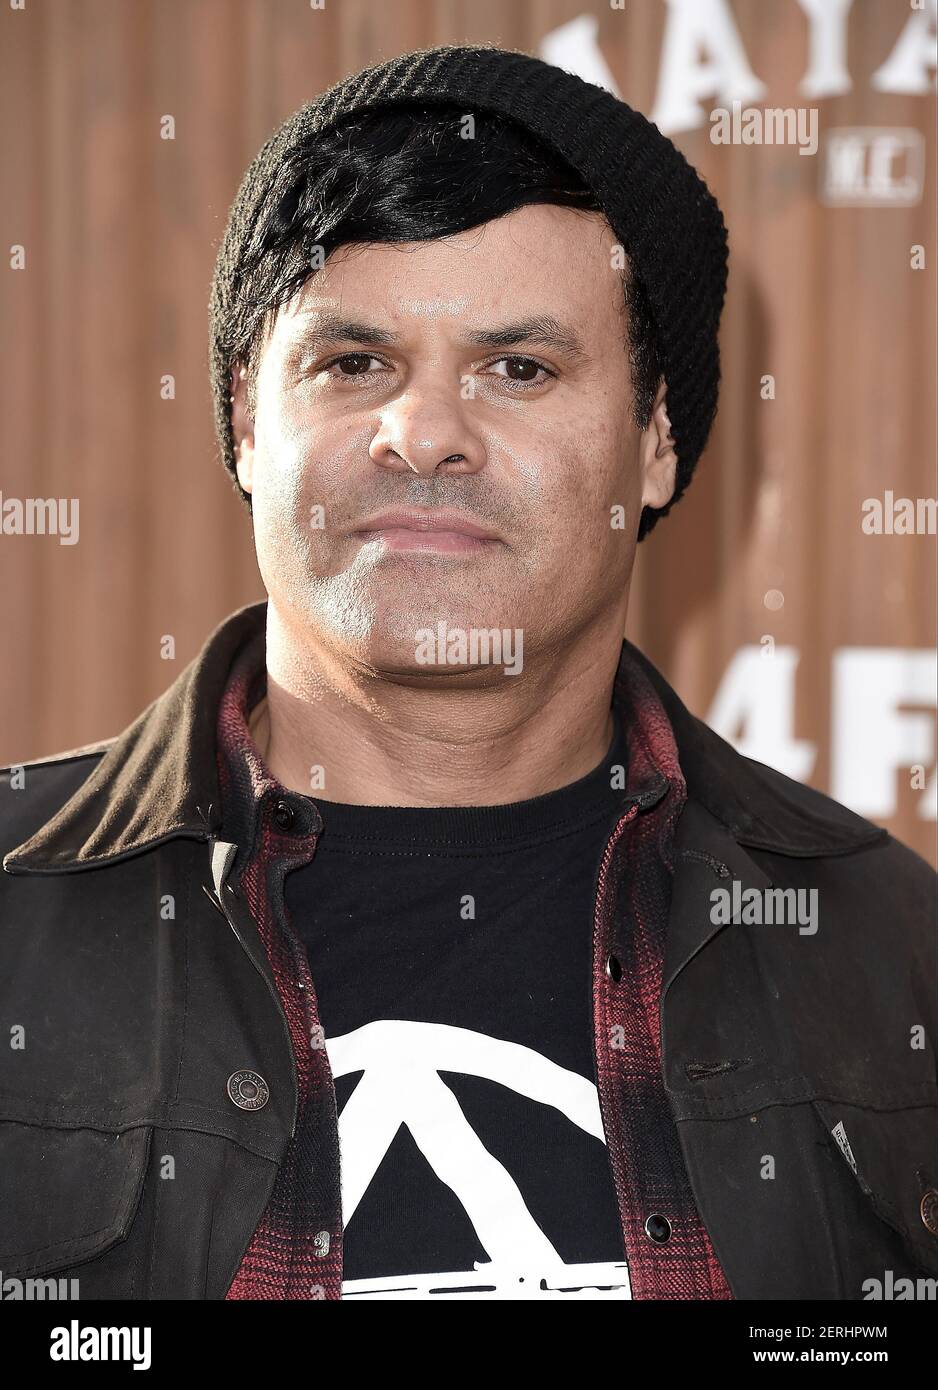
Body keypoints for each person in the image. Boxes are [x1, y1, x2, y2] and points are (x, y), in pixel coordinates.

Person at [1, 44, 935, 1302]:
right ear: (242, 419)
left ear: (656, 443)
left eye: (519, 368)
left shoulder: (887, 945)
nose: (423, 433)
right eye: (352, 363)